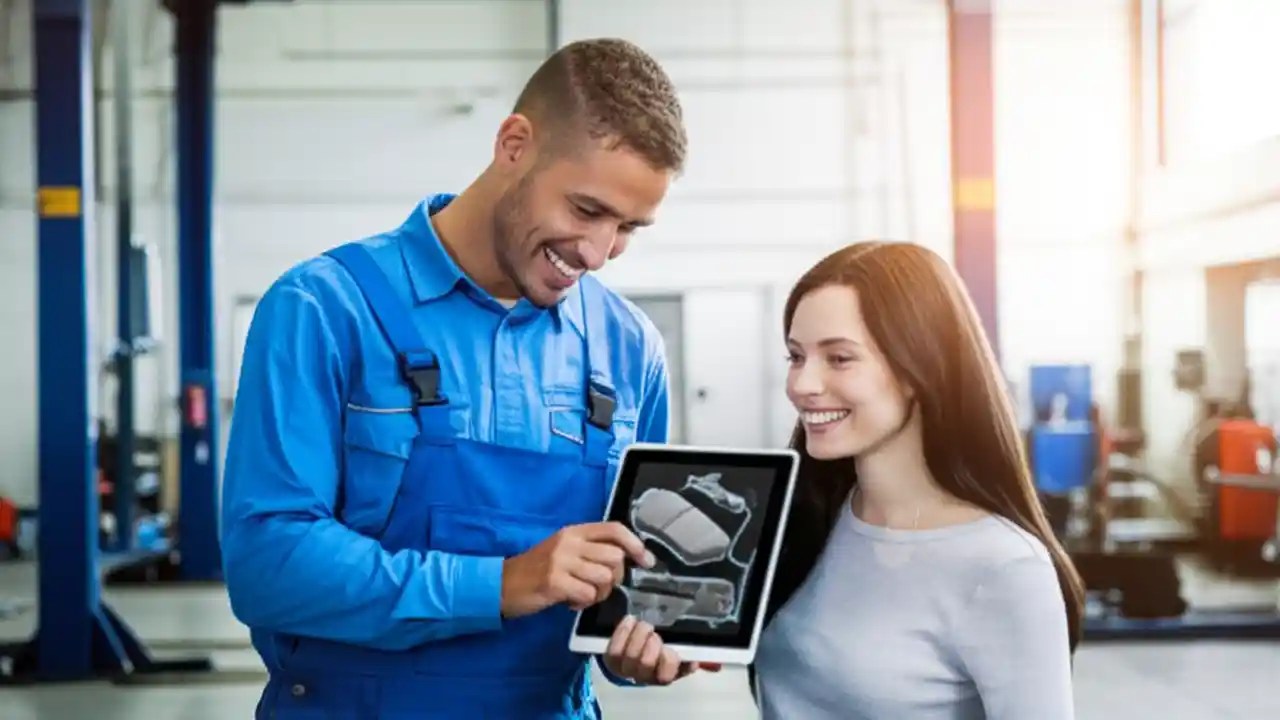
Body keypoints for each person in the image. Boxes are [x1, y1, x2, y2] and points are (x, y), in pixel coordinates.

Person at [220, 38, 710, 720]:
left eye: (629, 227)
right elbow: (267, 565)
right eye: (587, 210)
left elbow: (622, 589)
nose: (599, 253)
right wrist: (500, 584)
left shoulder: (629, 349)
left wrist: (634, 646)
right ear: (514, 144)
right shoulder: (325, 309)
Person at [749, 241, 1085, 719]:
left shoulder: (1003, 566)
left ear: (918, 366)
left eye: (839, 358)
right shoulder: (807, 518)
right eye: (796, 356)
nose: (802, 384)